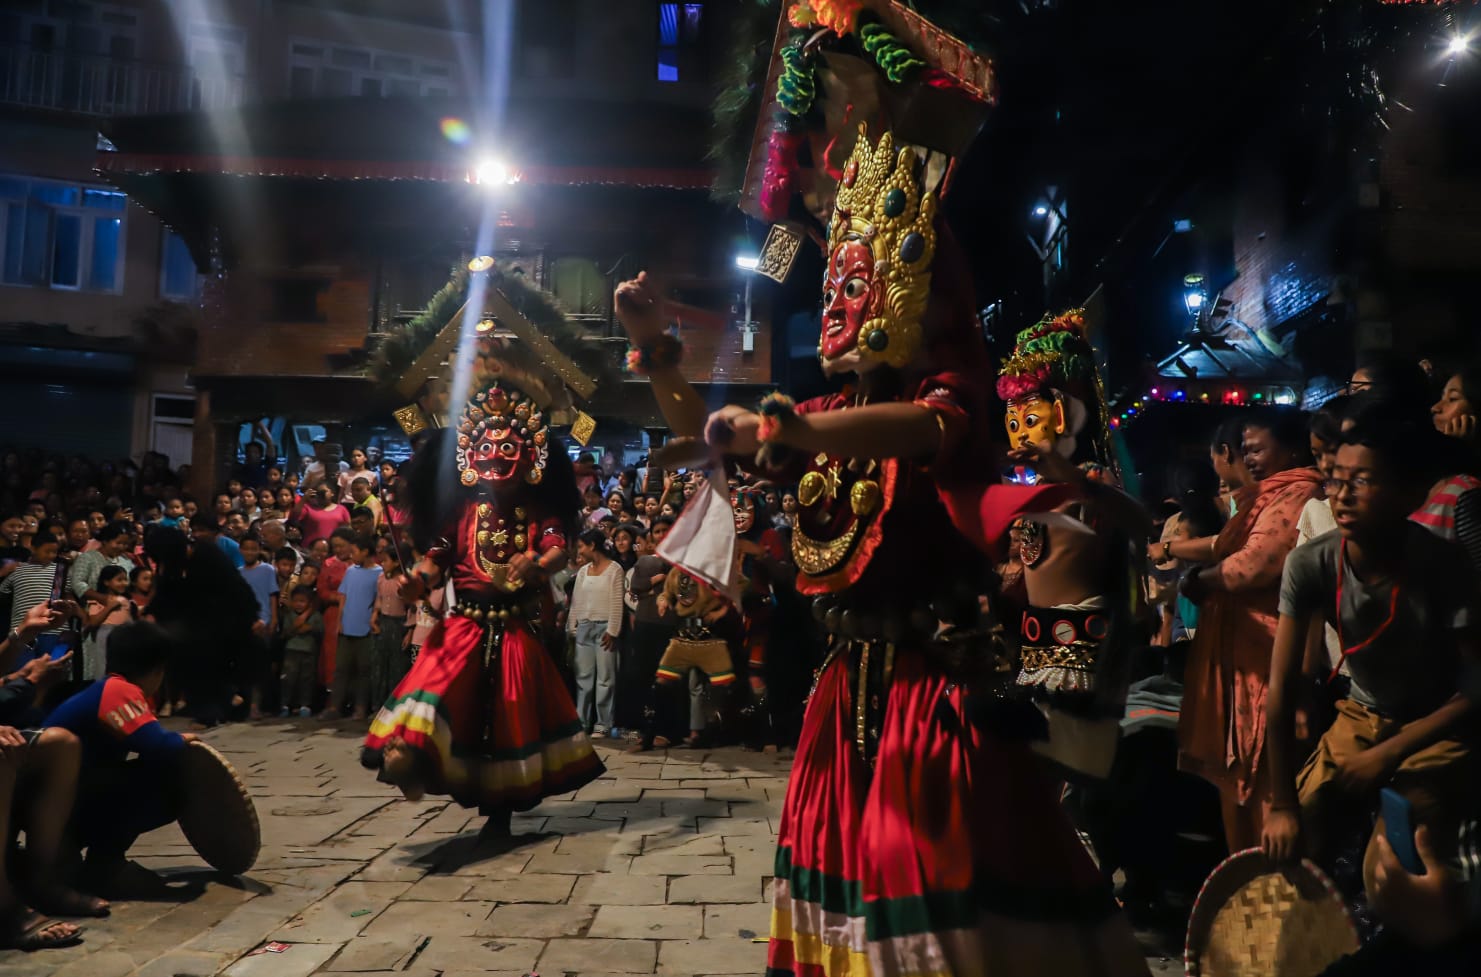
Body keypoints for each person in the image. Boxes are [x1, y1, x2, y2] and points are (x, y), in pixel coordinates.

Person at [617, 121, 1145, 977]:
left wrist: (791, 424)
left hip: (930, 697)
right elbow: (708, 436)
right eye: (835, 281)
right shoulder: (825, 412)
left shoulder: (948, 396)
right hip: (842, 694)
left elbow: (921, 431)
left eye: (856, 280)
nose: (837, 298)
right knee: (845, 886)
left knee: (926, 895)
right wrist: (655, 350)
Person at [363, 335, 603, 840]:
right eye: (486, 446)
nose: (496, 455)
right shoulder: (463, 511)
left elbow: (559, 546)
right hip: (462, 627)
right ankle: (412, 759)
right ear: (470, 454)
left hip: (514, 630)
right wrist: (415, 582)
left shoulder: (539, 511)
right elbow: (437, 559)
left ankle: (500, 810)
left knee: (507, 722)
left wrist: (536, 563)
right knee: (433, 694)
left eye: (508, 446)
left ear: (531, 453)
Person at [1264, 414, 1478, 876]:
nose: (1343, 494)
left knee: (1397, 847)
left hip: (1435, 724)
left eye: (1363, 481)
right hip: (1362, 714)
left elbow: (1476, 688)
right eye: (1337, 479)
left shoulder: (1440, 564)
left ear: (1410, 494)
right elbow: (1277, 691)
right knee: (1297, 834)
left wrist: (1390, 751)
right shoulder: (1310, 563)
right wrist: (1281, 805)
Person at [1178, 409, 1325, 852]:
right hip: (1245, 653)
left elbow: (1252, 565)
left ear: (1294, 449)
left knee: (1263, 770)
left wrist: (1197, 580)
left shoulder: (1299, 493)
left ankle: (1267, 891)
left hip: (1269, 654)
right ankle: (1243, 888)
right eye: (1247, 451)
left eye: (1258, 449)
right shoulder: (1267, 496)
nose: (1251, 459)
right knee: (1241, 771)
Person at [46, 621, 200, 897]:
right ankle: (104, 863)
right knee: (169, 780)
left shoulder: (106, 688)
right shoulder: (118, 691)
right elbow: (159, 746)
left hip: (61, 793)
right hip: (59, 800)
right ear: (157, 670)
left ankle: (88, 855)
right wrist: (183, 740)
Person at [567, 529, 625, 739]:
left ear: (592, 546)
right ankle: (582, 722)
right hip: (584, 627)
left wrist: (613, 630)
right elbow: (577, 601)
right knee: (583, 677)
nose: (579, 550)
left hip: (604, 629)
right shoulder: (583, 571)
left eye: (582, 546)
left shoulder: (614, 570)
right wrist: (573, 626)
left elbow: (617, 602)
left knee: (605, 679)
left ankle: (603, 724)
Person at [324, 534, 380, 721]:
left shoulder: (379, 573)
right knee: (341, 669)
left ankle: (360, 708)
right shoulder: (351, 571)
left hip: (365, 628)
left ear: (365, 552)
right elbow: (343, 597)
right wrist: (340, 621)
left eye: (355, 551)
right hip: (347, 626)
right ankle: (334, 707)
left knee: (363, 670)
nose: (352, 555)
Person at [0, 533, 72, 664]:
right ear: (33, 548)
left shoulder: (59, 571)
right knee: (21, 671)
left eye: (54, 552)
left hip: (52, 630)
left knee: (51, 671)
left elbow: (65, 597)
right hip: (23, 629)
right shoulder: (18, 570)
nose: (51, 555)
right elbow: (3, 592)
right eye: (47, 551)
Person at [370, 549, 409, 707]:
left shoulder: (403, 581)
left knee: (396, 665)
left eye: (386, 561)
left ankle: (394, 705)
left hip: (399, 624)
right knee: (380, 663)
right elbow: (379, 600)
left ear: (395, 562)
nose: (383, 564)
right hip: (384, 622)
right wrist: (374, 617)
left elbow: (411, 607)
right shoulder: (381, 579)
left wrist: (409, 632)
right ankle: (377, 704)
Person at [82, 565, 133, 681]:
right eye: (119, 580)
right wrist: (109, 607)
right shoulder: (98, 599)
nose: (124, 583)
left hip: (124, 634)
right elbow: (93, 622)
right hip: (105, 633)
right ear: (106, 582)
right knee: (104, 663)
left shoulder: (125, 600)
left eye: (125, 579)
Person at [278, 585, 322, 718]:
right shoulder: (289, 616)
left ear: (309, 603)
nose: (298, 604)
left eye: (302, 601)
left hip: (309, 652)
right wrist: (296, 628)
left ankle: (305, 705)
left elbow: (320, 631)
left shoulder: (315, 616)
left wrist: (309, 628)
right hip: (291, 652)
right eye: (296, 601)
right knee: (288, 679)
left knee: (306, 679)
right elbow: (285, 633)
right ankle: (285, 705)